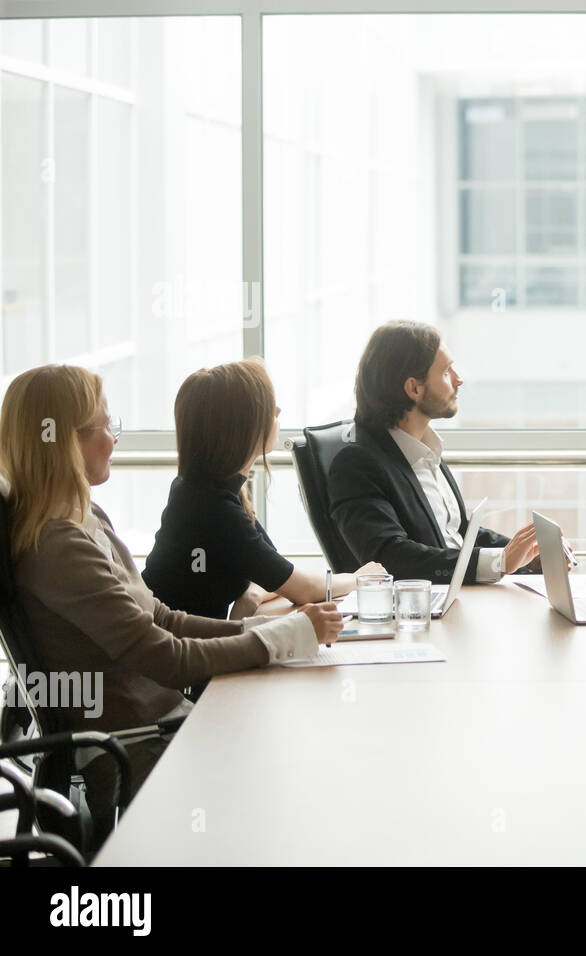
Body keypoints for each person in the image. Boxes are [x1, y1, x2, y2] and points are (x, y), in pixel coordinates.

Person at [0, 365, 342, 851]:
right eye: (105, 427)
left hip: (162, 723)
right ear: (65, 442)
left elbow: (162, 617)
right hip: (131, 745)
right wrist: (280, 639)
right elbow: (165, 657)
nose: (114, 439)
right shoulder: (58, 548)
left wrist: (284, 630)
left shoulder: (85, 519)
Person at [143, 358, 385, 621]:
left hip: (188, 645)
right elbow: (302, 589)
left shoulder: (205, 490)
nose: (278, 410)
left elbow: (272, 574)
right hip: (176, 656)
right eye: (268, 407)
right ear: (242, 426)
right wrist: (360, 578)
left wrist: (252, 595)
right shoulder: (213, 508)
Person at [328, 321, 539, 584]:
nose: (459, 379)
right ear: (414, 388)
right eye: (447, 371)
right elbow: (391, 558)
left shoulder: (427, 452)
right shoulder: (356, 466)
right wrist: (500, 562)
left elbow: (457, 532)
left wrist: (529, 554)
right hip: (419, 615)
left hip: (461, 597)